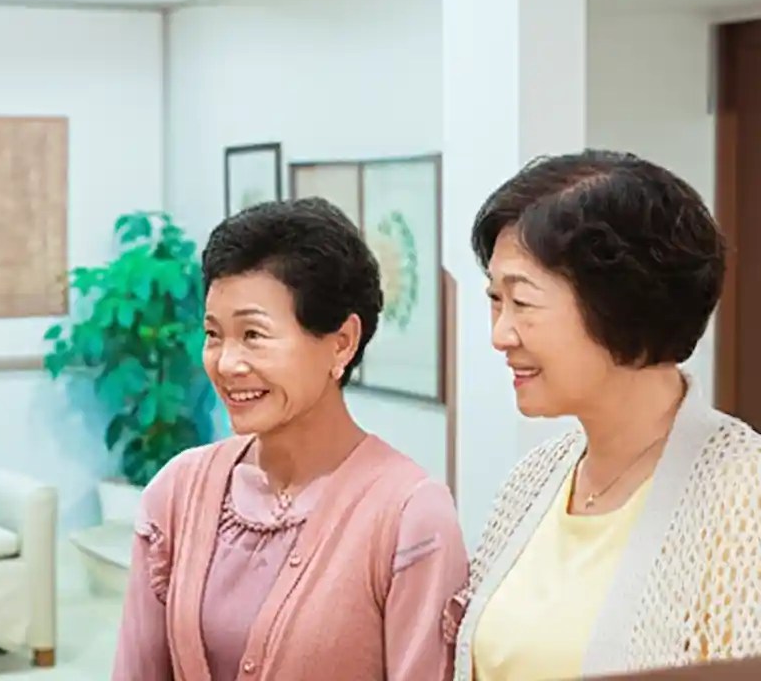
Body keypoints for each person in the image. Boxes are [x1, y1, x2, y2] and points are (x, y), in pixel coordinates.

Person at [111, 197, 469, 681]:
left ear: (341, 342)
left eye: (254, 335)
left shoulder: (410, 515)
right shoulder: (178, 491)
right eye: (214, 334)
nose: (227, 362)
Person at [448, 150, 761, 679]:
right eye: (495, 301)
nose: (499, 335)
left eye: (522, 303)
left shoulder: (743, 499)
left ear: (619, 304)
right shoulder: (533, 480)